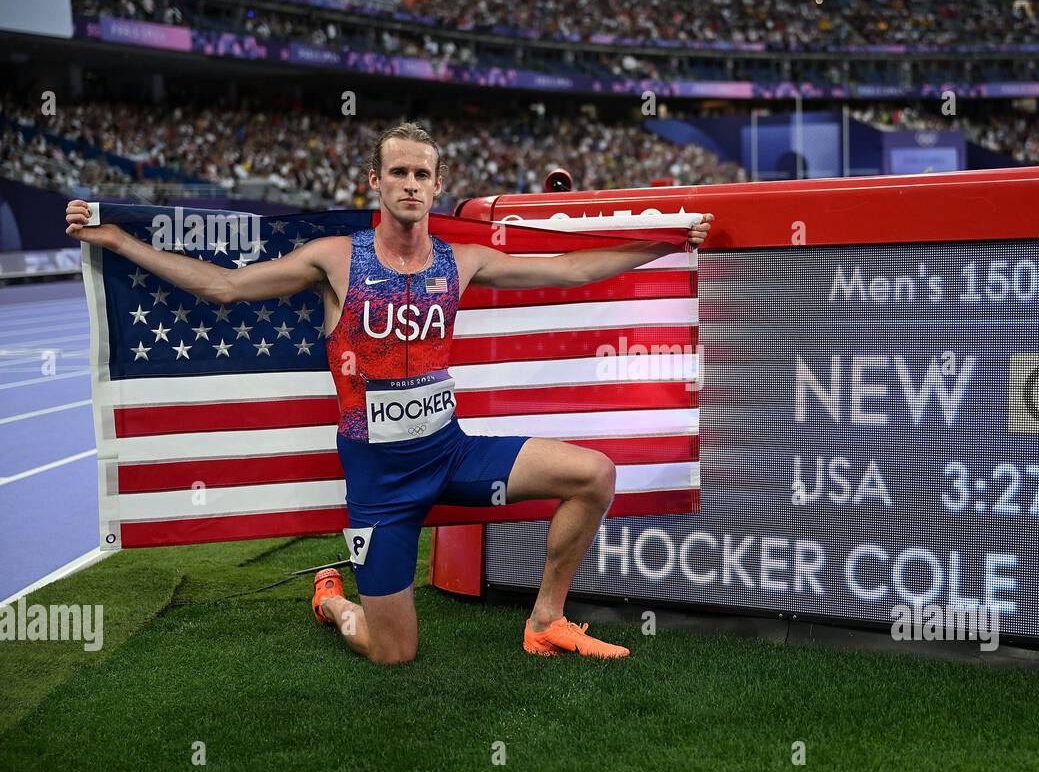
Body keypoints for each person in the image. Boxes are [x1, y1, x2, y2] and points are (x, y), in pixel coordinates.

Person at [65, 120, 713, 664]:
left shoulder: (461, 261)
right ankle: (333, 602)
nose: (409, 184)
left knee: (594, 474)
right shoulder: (334, 259)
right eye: (397, 172)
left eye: (421, 175)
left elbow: (572, 271)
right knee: (391, 650)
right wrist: (121, 241)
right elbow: (224, 288)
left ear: (436, 186)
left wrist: (666, 239)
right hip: (381, 484)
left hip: (452, 456)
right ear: (375, 183)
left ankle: (546, 620)